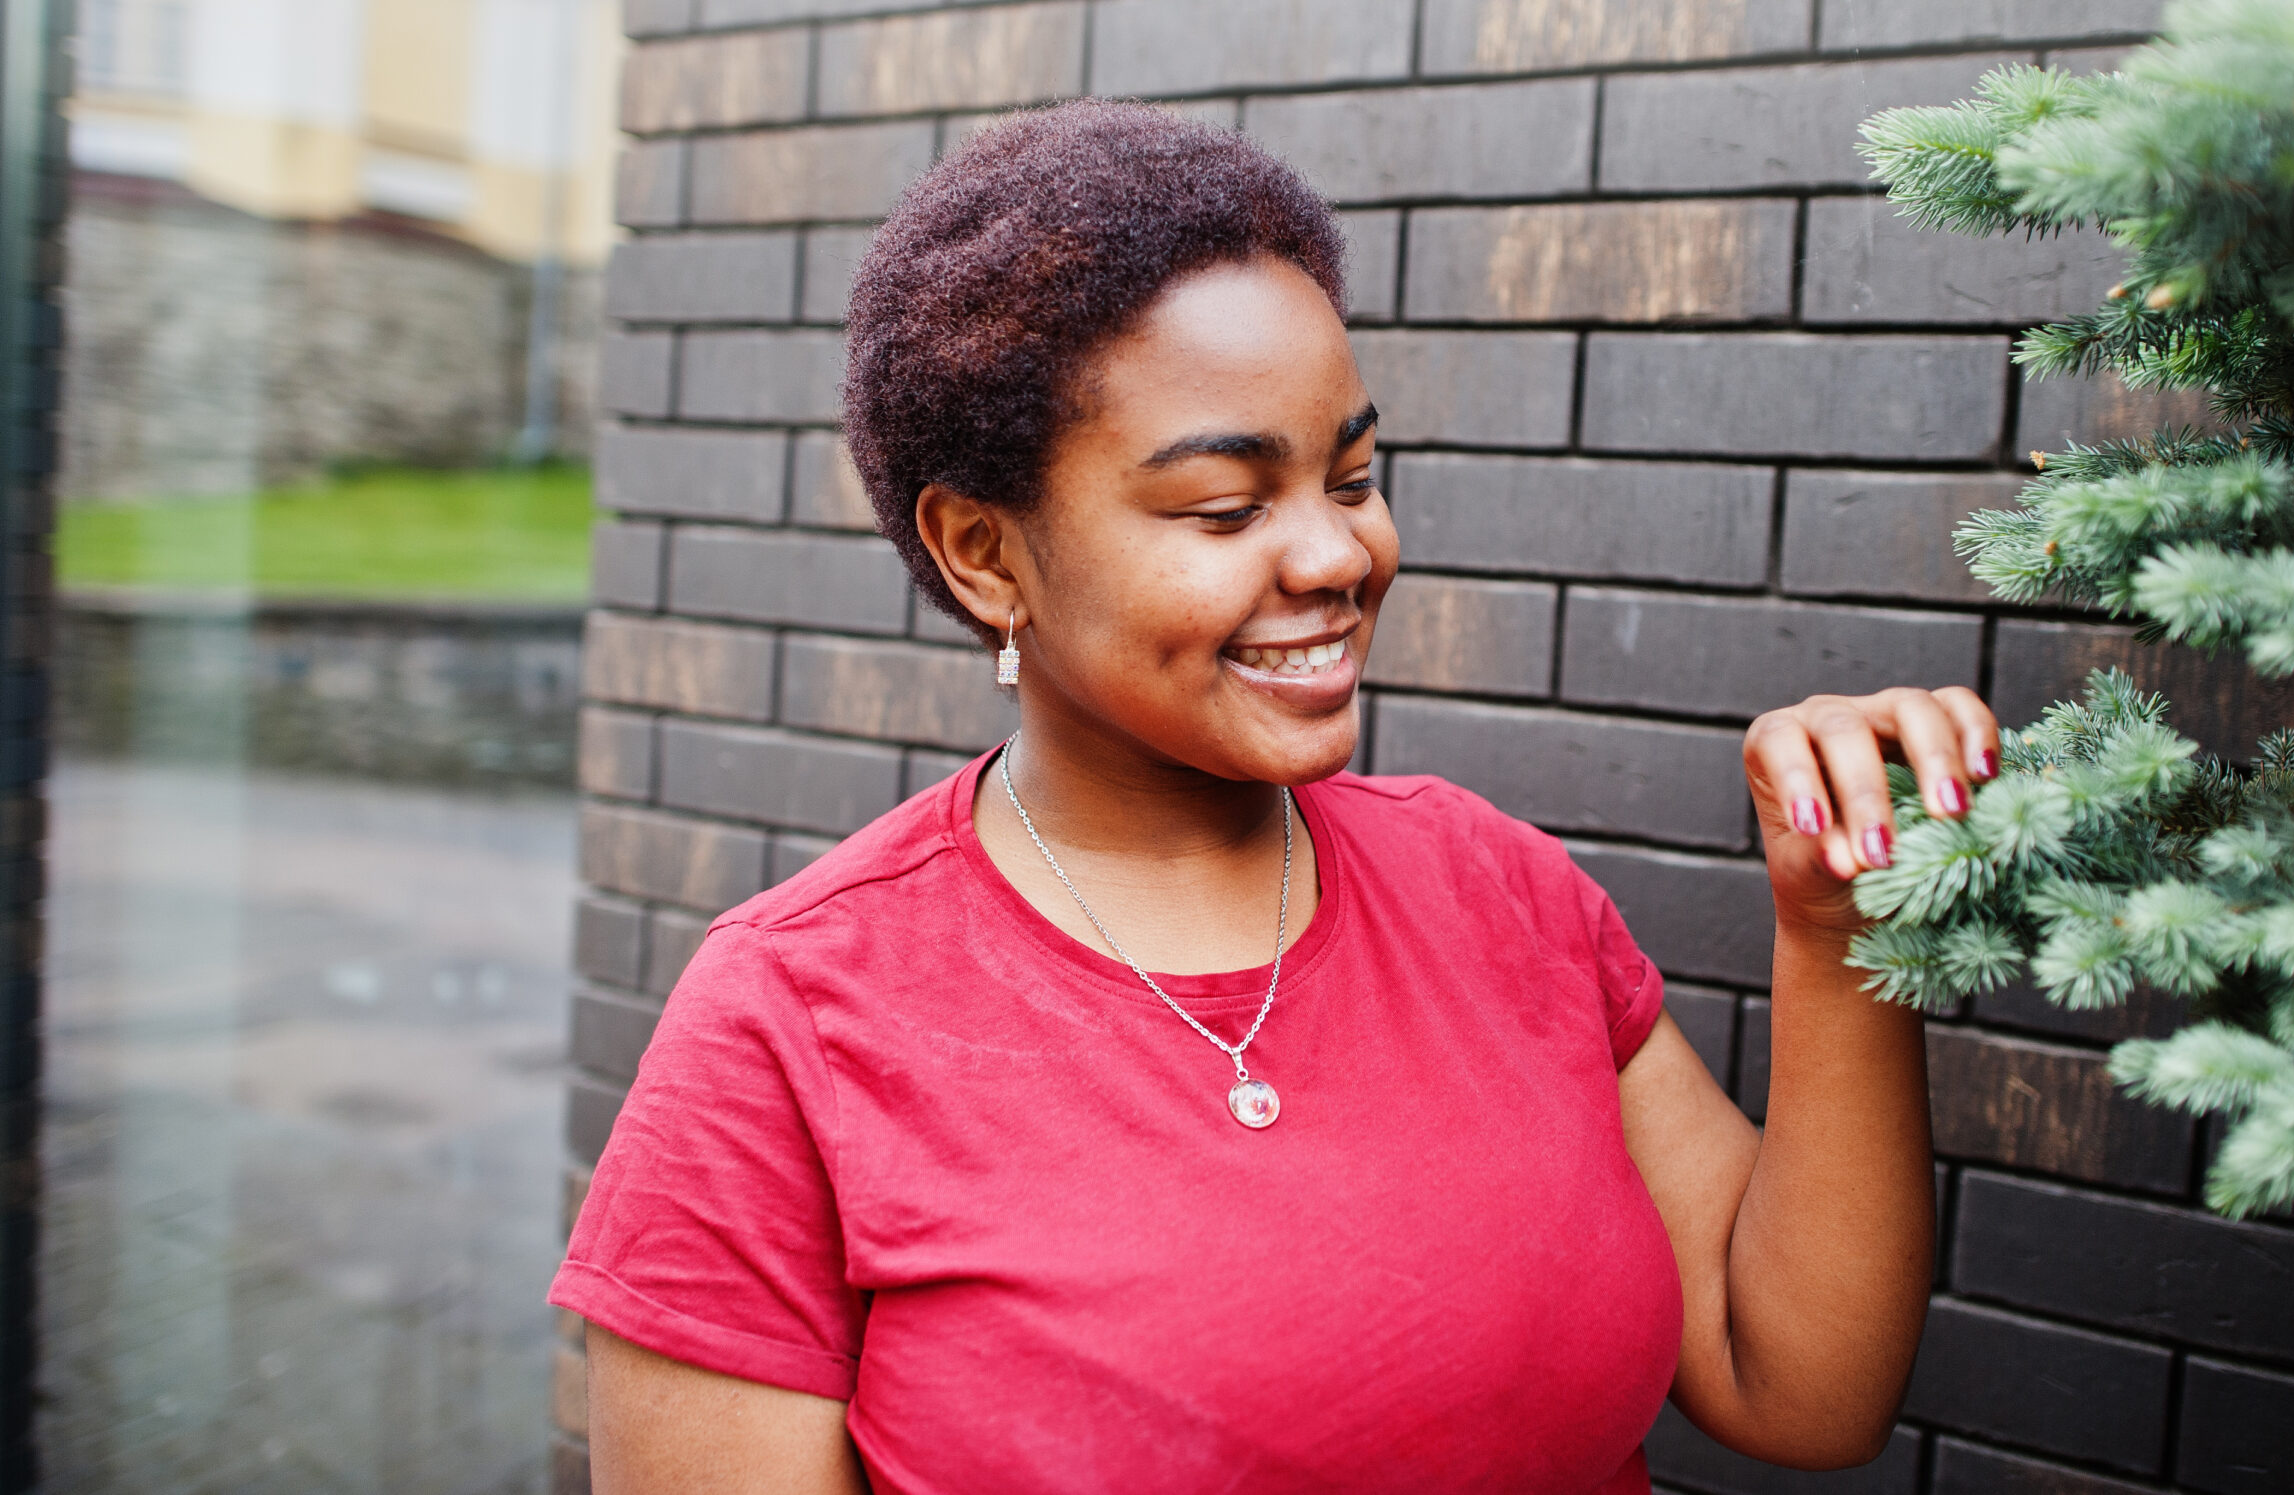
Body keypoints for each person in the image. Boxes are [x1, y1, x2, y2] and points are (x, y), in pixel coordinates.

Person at [556, 100, 1990, 1494]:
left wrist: (1839, 931)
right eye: (1227, 508)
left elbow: (1797, 1385)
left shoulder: (1498, 891)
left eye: (1352, 476)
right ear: (984, 552)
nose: (1335, 557)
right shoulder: (790, 1022)